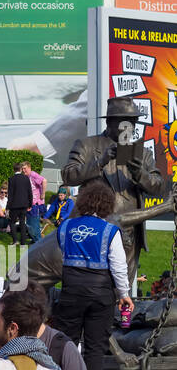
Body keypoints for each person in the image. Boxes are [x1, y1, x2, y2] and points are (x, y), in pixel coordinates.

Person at [61, 96, 166, 285]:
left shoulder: (142, 153)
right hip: (95, 228)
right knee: (94, 284)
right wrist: (100, 162)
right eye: (125, 122)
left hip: (129, 232)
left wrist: (139, 173)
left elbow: (158, 187)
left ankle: (120, 315)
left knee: (122, 287)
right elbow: (69, 176)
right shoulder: (87, 145)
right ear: (110, 122)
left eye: (133, 122)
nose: (130, 127)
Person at [51, 180, 133, 370]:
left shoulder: (66, 227)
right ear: (107, 205)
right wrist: (124, 294)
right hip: (100, 293)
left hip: (71, 290)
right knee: (95, 346)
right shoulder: (109, 230)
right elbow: (118, 265)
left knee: (66, 343)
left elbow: (63, 252)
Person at [6, 162, 33, 245]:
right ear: (21, 169)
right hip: (24, 204)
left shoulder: (11, 179)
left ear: (14, 169)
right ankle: (23, 242)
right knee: (22, 222)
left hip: (14, 205)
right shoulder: (26, 178)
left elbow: (10, 194)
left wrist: (8, 207)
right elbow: (30, 192)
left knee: (12, 222)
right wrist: (30, 204)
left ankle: (15, 241)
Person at [21, 160, 46, 239]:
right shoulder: (26, 177)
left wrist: (43, 194)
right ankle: (35, 239)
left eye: (25, 168)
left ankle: (38, 242)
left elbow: (44, 181)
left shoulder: (33, 174)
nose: (23, 170)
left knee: (34, 224)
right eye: (22, 169)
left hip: (36, 204)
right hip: (30, 204)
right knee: (29, 223)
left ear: (29, 167)